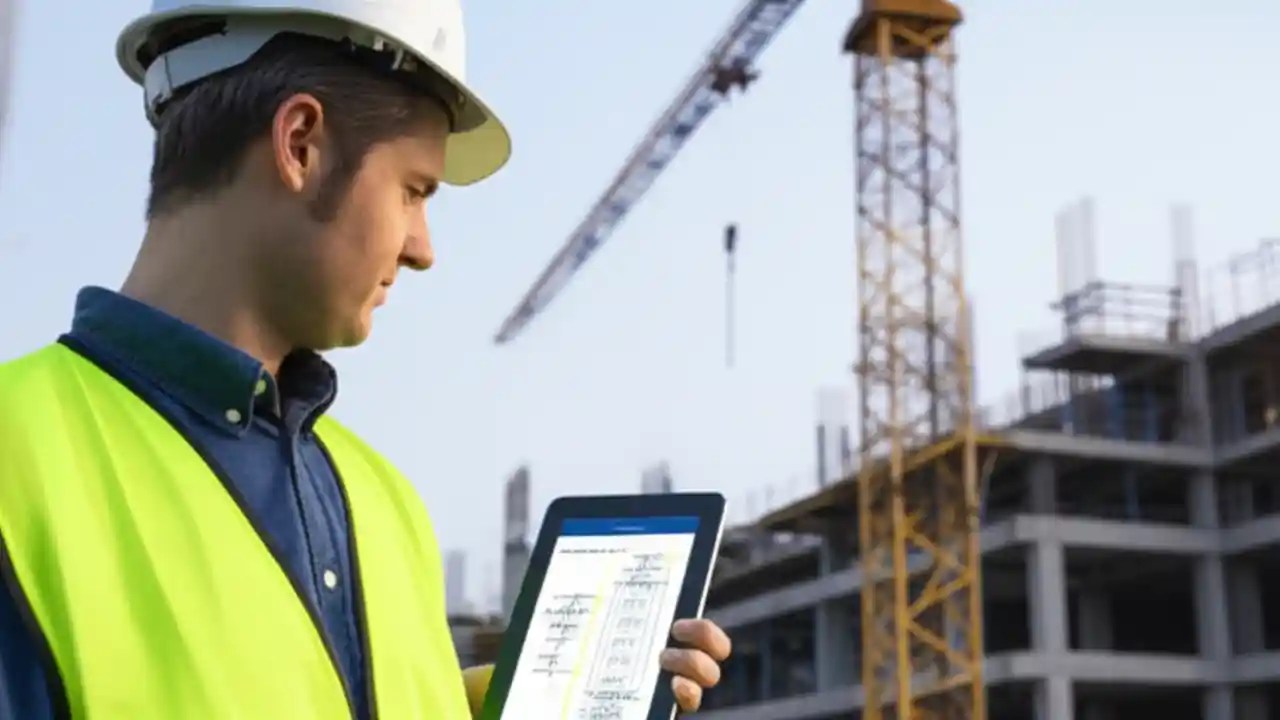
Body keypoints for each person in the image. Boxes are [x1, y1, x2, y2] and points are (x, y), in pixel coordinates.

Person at [0, 1, 732, 718]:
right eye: (413, 191)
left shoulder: (386, 503)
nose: (423, 249)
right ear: (300, 145)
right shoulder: (14, 460)